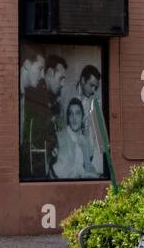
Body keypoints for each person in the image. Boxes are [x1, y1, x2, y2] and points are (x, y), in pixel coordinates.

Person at [20, 51, 66, 179]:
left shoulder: (50, 98)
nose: (62, 84)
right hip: (33, 169)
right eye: (61, 78)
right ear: (50, 73)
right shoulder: (37, 95)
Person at [53, 98, 100, 179]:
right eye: (71, 114)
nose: (74, 118)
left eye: (77, 113)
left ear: (82, 117)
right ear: (68, 117)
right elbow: (61, 171)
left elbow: (88, 166)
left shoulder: (84, 139)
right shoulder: (60, 137)